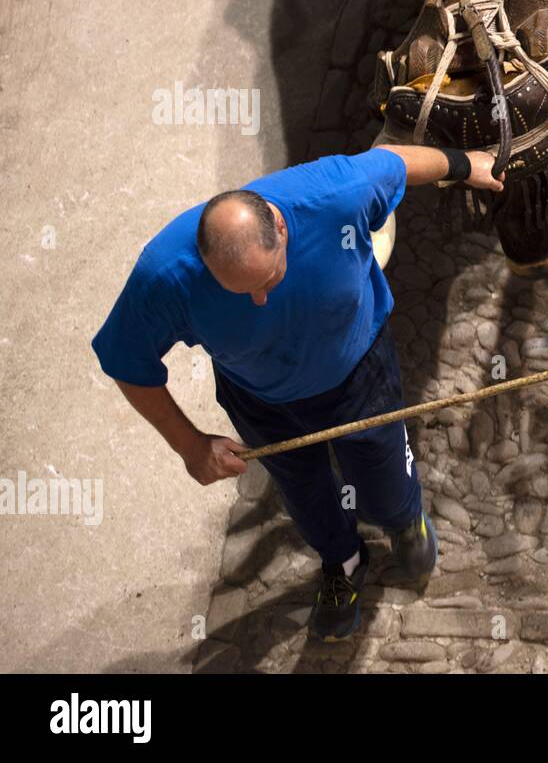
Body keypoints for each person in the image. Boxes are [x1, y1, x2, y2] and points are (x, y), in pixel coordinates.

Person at [92, 144, 502, 641]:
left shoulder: (335, 194)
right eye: (239, 291)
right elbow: (125, 361)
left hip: (360, 372)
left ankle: (404, 520)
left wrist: (463, 165)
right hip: (262, 402)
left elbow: (394, 161)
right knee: (303, 494)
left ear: (282, 229)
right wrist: (190, 445)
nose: (259, 299)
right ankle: (343, 560)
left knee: (386, 475)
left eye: (266, 280)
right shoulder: (165, 276)